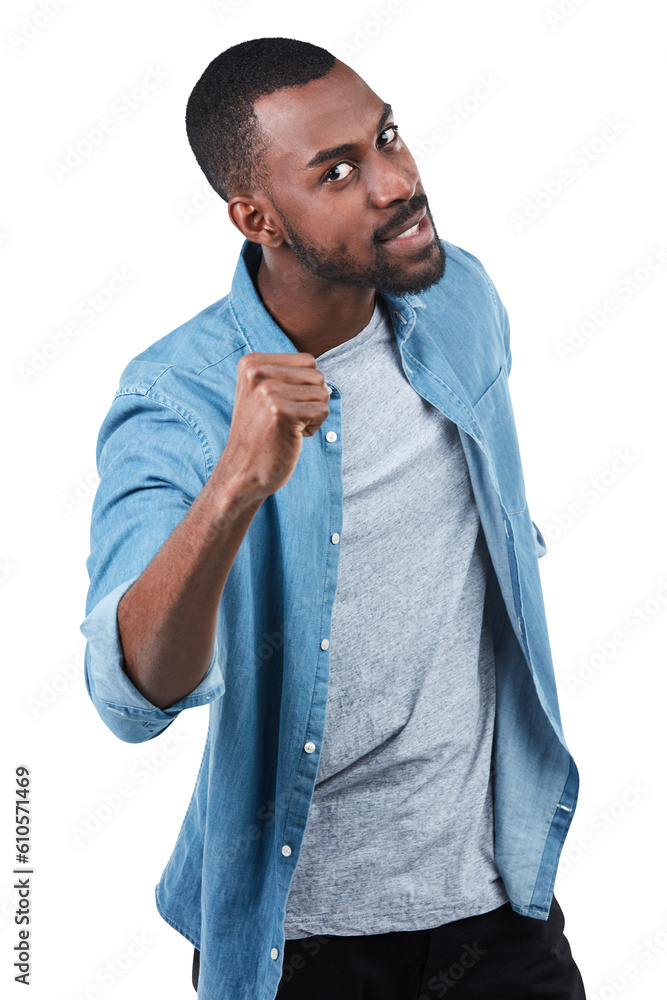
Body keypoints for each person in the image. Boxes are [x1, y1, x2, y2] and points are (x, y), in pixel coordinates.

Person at [80, 36, 587, 1000]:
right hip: (303, 939)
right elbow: (129, 693)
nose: (395, 181)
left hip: (496, 903)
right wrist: (234, 485)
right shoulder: (176, 399)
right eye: (339, 171)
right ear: (255, 216)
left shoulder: (456, 295)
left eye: (386, 136)